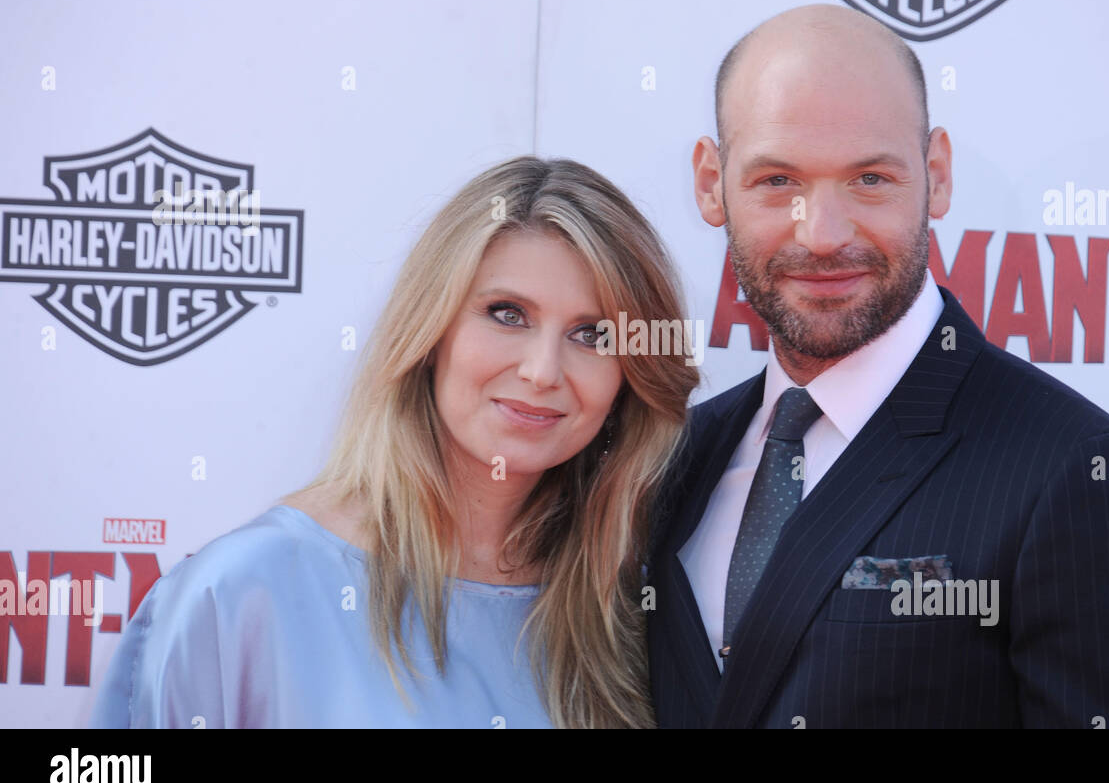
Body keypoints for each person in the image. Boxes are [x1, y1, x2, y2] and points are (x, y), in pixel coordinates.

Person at [646, 4, 1109, 728]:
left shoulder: (1085, 480)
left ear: (937, 173)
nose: (822, 235)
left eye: (869, 179)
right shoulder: (669, 461)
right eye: (778, 181)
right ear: (711, 182)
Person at [89, 156, 698, 728]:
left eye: (592, 334)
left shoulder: (634, 608)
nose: (543, 370)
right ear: (431, 331)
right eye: (507, 314)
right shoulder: (244, 592)